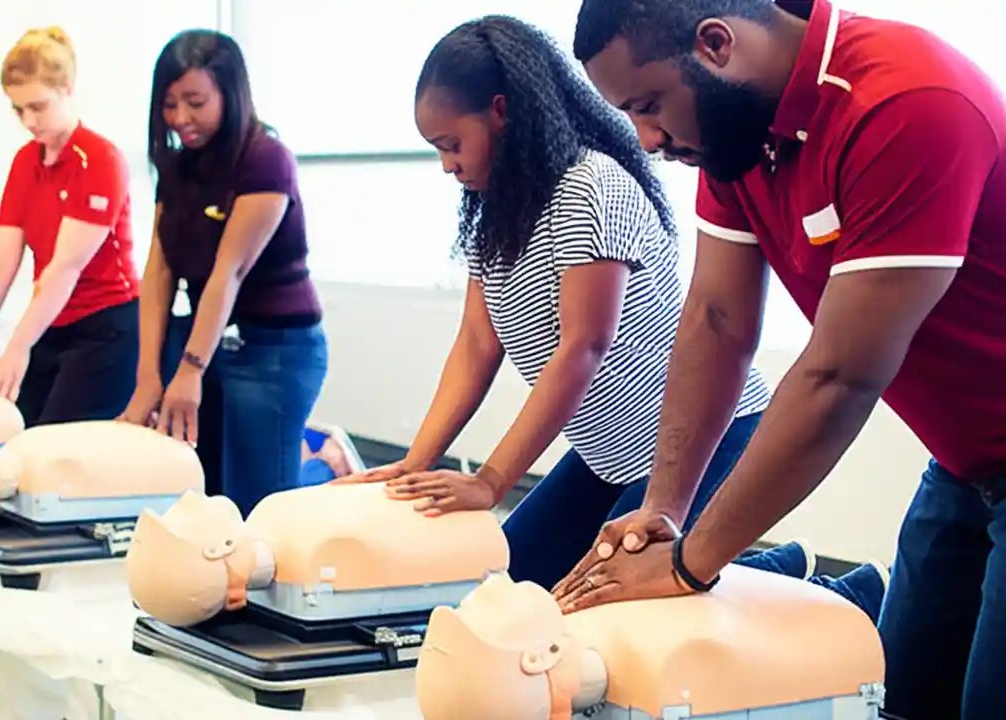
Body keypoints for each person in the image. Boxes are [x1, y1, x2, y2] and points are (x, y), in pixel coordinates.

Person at [336, 15, 885, 616]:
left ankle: (835, 592)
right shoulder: (496, 210)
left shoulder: (589, 188)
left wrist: (491, 480)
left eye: (451, 145)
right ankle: (774, 568)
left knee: (619, 606)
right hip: (607, 456)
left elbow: (582, 349)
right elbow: (476, 343)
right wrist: (416, 464)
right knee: (511, 590)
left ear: (499, 111)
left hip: (703, 438)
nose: (448, 165)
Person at [566, 1, 1006, 718]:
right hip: (962, 467)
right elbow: (715, 320)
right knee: (898, 694)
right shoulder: (735, 134)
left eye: (648, 107)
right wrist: (664, 512)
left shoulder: (907, 101)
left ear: (715, 45)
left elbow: (838, 376)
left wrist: (688, 564)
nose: (646, 141)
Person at [118, 29, 328, 517]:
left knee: (259, 503)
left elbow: (227, 274)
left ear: (229, 95)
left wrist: (188, 372)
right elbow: (159, 271)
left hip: (276, 348)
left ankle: (324, 466)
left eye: (195, 102)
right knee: (205, 489)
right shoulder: (177, 167)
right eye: (169, 105)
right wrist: (149, 375)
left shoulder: (266, 160)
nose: (180, 119)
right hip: (209, 340)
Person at [0, 27, 140, 426]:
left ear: (68, 89)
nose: (28, 120)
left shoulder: (99, 160)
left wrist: (18, 347)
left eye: (38, 107)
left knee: (53, 447)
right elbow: (2, 259)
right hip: (51, 321)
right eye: (17, 110)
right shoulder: (26, 162)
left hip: (105, 326)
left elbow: (65, 268)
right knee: (17, 433)